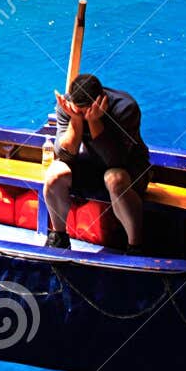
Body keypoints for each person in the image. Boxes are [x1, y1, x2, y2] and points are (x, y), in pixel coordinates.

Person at [43, 72, 150, 252]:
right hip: (88, 166)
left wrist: (94, 121)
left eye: (86, 110)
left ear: (101, 101)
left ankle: (135, 246)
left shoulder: (125, 108)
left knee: (115, 179)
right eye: (79, 110)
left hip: (129, 170)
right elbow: (64, 155)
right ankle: (59, 237)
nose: (83, 114)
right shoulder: (69, 106)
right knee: (54, 174)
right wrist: (76, 119)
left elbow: (116, 160)